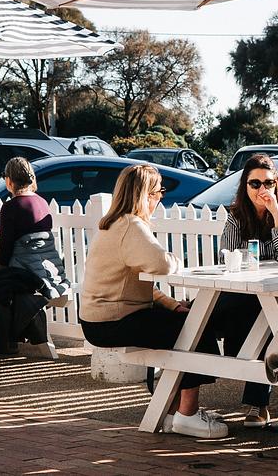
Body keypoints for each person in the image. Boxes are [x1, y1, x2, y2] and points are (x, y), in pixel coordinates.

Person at [78, 163, 228, 439]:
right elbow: (162, 264)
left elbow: (139, 284)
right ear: (145, 195)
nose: (160, 197)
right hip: (113, 321)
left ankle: (172, 413)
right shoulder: (131, 226)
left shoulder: (114, 224)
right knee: (195, 330)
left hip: (103, 319)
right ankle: (188, 415)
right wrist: (175, 259)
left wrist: (172, 305)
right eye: (158, 192)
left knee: (184, 323)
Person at [216, 153, 278, 427]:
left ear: (276, 184)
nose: (261, 190)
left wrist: (276, 213)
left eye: (267, 183)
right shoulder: (236, 217)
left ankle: (258, 404)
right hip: (248, 292)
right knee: (212, 315)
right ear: (245, 185)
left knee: (268, 319)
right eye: (254, 184)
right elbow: (226, 256)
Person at [0, 157, 67, 361]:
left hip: (26, 275)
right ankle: (9, 340)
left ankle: (1, 343)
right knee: (4, 283)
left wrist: (0, 272)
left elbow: (4, 251)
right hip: (46, 273)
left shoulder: (11, 207)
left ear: (9, 181)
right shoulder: (42, 202)